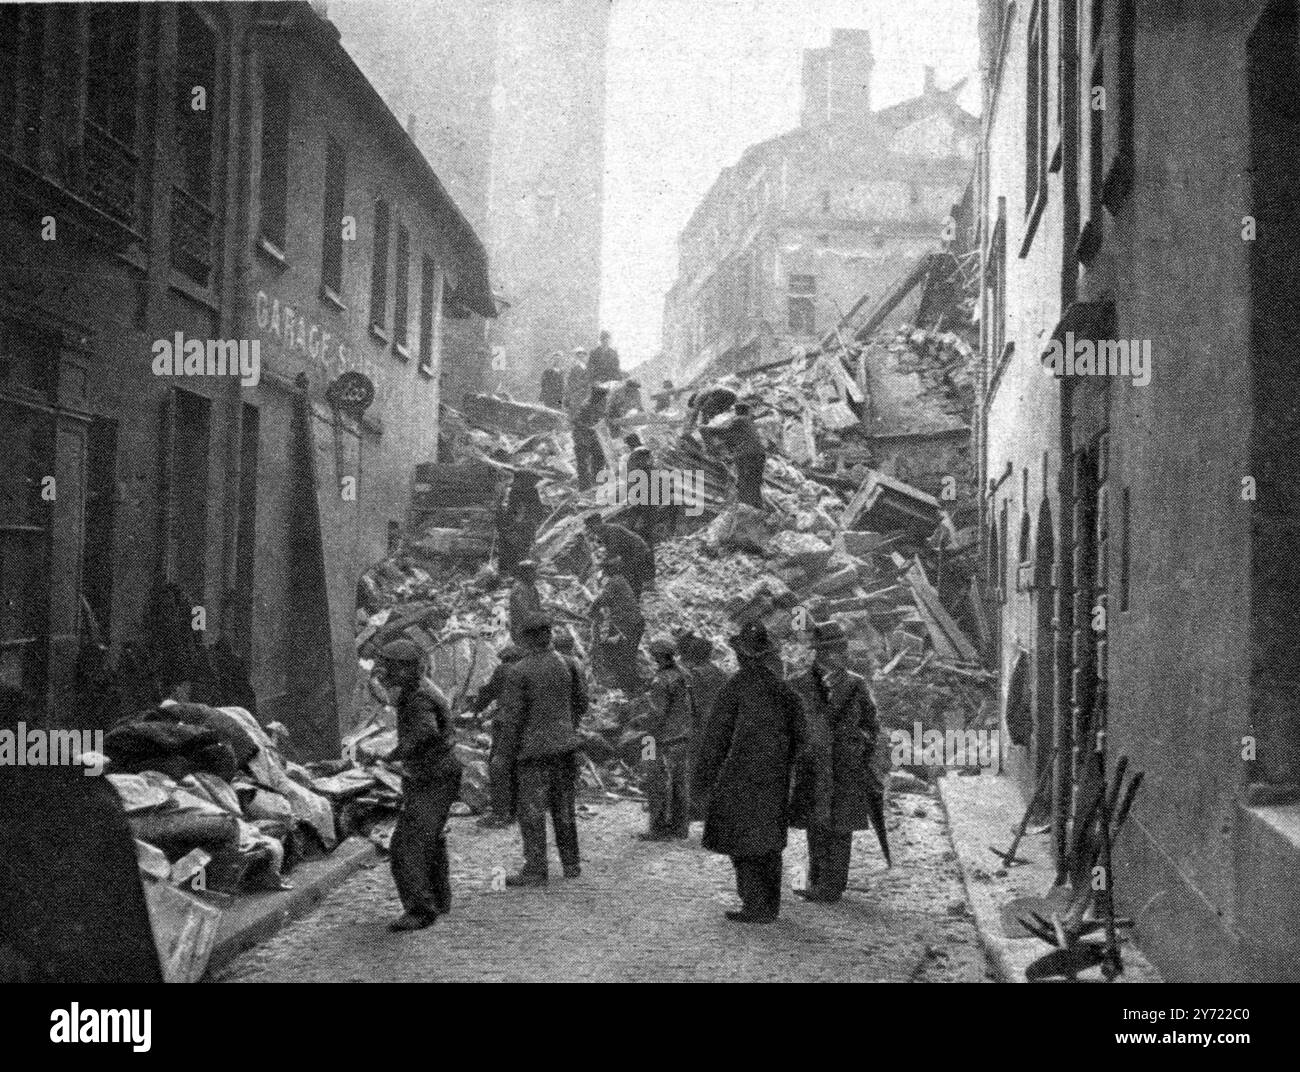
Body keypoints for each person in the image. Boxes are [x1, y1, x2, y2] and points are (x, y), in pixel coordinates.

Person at [694, 622, 805, 924]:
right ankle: (769, 905)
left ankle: (754, 904)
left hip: (739, 779)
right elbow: (801, 737)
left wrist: (703, 780)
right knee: (769, 842)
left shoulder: (734, 688)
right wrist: (783, 766)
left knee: (740, 842)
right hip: (774, 780)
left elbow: (715, 739)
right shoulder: (784, 690)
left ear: (742, 656)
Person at [787, 621, 883, 903]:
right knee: (815, 824)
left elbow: (871, 724)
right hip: (813, 765)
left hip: (844, 766)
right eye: (833, 650)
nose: (840, 654)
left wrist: (859, 744)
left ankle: (832, 887)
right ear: (819, 653)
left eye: (841, 649)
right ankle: (817, 879)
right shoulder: (798, 685)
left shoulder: (856, 684)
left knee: (841, 826)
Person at [378, 639, 464, 931]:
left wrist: (392, 754)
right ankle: (439, 899)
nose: (385, 673)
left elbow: (425, 733)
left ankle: (420, 909)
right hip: (438, 774)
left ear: (405, 668)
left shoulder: (419, 697)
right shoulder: (423, 688)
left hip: (432, 776)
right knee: (430, 837)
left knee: (407, 844)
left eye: (390, 667)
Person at [495, 614, 588, 885]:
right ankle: (571, 864)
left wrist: (502, 755)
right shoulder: (571, 664)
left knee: (532, 811)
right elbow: (581, 704)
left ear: (526, 638)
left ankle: (536, 869)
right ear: (548, 635)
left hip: (534, 753)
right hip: (566, 747)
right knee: (564, 808)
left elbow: (511, 719)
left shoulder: (519, 671)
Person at [635, 638, 696, 841]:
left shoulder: (660, 680)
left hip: (659, 739)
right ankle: (680, 829)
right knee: (680, 783)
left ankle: (658, 829)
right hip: (683, 736)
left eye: (654, 656)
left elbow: (656, 714)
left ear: (659, 656)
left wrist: (638, 724)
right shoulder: (684, 674)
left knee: (656, 781)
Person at [676, 632, 729, 822]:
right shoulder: (720, 674)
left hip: (699, 727)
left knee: (695, 766)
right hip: (719, 726)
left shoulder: (694, 676)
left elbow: (690, 704)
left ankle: (696, 808)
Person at [469, 644, 524, 828]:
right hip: (524, 726)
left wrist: (475, 710)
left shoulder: (504, 669)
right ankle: (514, 811)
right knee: (516, 766)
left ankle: (500, 814)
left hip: (507, 723)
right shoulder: (527, 669)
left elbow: (489, 691)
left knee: (498, 766)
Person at [589, 557, 646, 694]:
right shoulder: (620, 580)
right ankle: (634, 683)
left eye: (606, 569)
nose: (605, 572)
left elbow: (602, 599)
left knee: (623, 654)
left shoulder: (615, 582)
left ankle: (631, 687)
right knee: (627, 654)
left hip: (630, 624)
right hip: (636, 623)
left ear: (610, 570)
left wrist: (592, 611)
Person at [585, 513, 654, 598]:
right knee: (617, 569)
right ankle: (636, 593)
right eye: (590, 528)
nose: (592, 530)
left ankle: (638, 594)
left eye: (592, 527)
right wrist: (592, 565)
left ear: (599, 523)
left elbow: (612, 553)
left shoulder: (611, 530)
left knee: (622, 571)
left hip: (640, 553)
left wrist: (600, 565)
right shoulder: (603, 532)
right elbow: (605, 553)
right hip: (631, 555)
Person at [718, 401, 767, 510]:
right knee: (755, 481)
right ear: (748, 412)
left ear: (737, 411)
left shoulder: (738, 419)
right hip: (760, 454)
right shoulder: (750, 422)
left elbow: (725, 432)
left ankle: (744, 506)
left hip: (748, 455)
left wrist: (707, 429)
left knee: (744, 480)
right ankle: (758, 507)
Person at [496, 470, 546, 578]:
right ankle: (509, 574)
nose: (535, 482)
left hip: (523, 527)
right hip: (515, 528)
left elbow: (537, 510)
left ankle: (518, 574)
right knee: (512, 550)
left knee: (521, 550)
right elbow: (506, 511)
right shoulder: (512, 492)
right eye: (533, 480)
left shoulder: (530, 492)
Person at [621, 433, 658, 547]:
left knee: (639, 517)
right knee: (649, 517)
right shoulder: (648, 453)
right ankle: (650, 541)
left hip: (641, 491)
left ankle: (643, 544)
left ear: (631, 444)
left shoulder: (635, 456)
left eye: (628, 444)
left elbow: (633, 476)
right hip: (652, 489)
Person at [572, 386, 610, 491]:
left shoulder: (599, 405)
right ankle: (584, 488)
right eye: (602, 397)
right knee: (583, 463)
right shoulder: (585, 406)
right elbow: (575, 421)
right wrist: (588, 427)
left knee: (599, 458)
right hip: (581, 438)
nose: (604, 400)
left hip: (593, 437)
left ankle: (598, 483)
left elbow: (602, 418)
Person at [508, 560, 543, 646]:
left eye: (535, 571)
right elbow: (523, 614)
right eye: (532, 571)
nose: (535, 574)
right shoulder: (519, 590)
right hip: (521, 631)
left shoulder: (532, 588)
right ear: (524, 573)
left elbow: (537, 608)